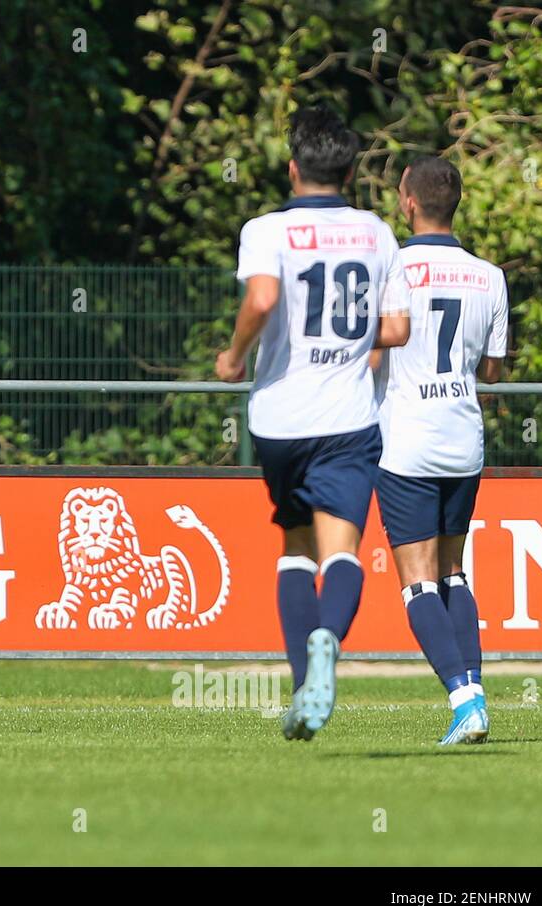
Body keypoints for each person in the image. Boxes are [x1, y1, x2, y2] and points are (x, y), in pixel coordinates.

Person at [216, 106, 410, 740]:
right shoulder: (377, 232)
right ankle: (330, 638)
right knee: (343, 552)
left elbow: (264, 298)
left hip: (280, 418)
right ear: (349, 171)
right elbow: (399, 328)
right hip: (350, 418)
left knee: (295, 547)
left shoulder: (265, 229)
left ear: (293, 167)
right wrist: (350, 340)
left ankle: (304, 689)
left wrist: (235, 354)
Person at [375, 157, 508, 744]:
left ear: (408, 203)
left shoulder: (389, 269)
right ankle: (474, 696)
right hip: (463, 439)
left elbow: (371, 352)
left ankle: (462, 700)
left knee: (417, 581)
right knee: (454, 571)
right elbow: (495, 373)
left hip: (406, 441)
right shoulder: (490, 276)